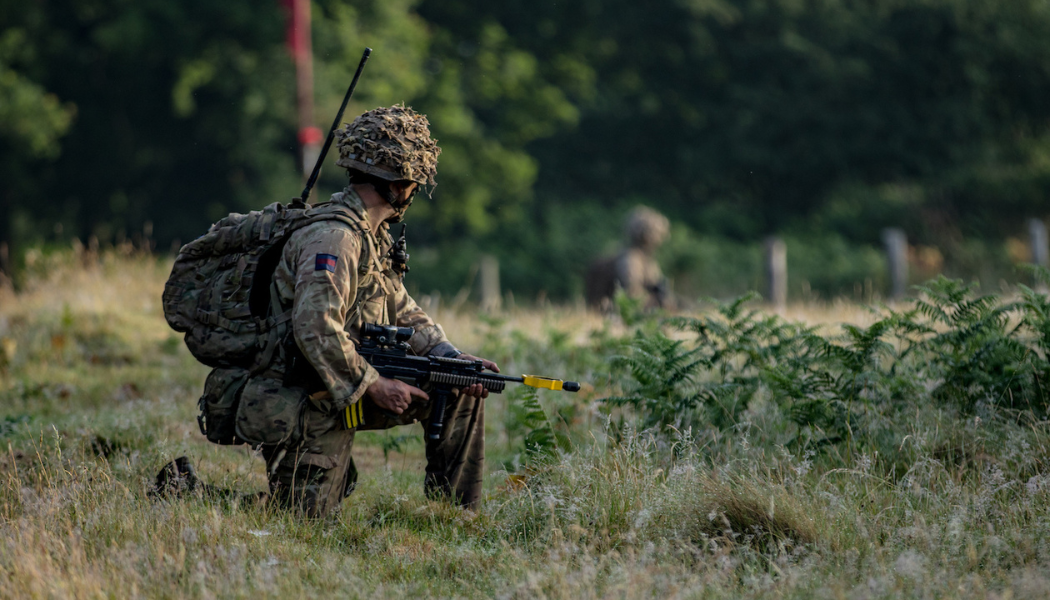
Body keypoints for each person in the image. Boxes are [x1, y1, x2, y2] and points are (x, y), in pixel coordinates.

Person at [158, 105, 499, 518]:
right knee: (305, 523)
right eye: (414, 183)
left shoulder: (371, 235)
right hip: (297, 397)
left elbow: (400, 306)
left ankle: (456, 518)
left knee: (456, 388)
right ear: (398, 183)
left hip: (336, 385)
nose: (414, 192)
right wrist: (374, 385)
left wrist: (449, 357)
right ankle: (183, 491)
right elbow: (316, 327)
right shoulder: (335, 238)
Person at [585, 205, 672, 311]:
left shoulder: (647, 260)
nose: (660, 238)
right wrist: (658, 303)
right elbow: (632, 293)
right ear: (646, 236)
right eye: (657, 233)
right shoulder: (630, 260)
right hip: (612, 312)